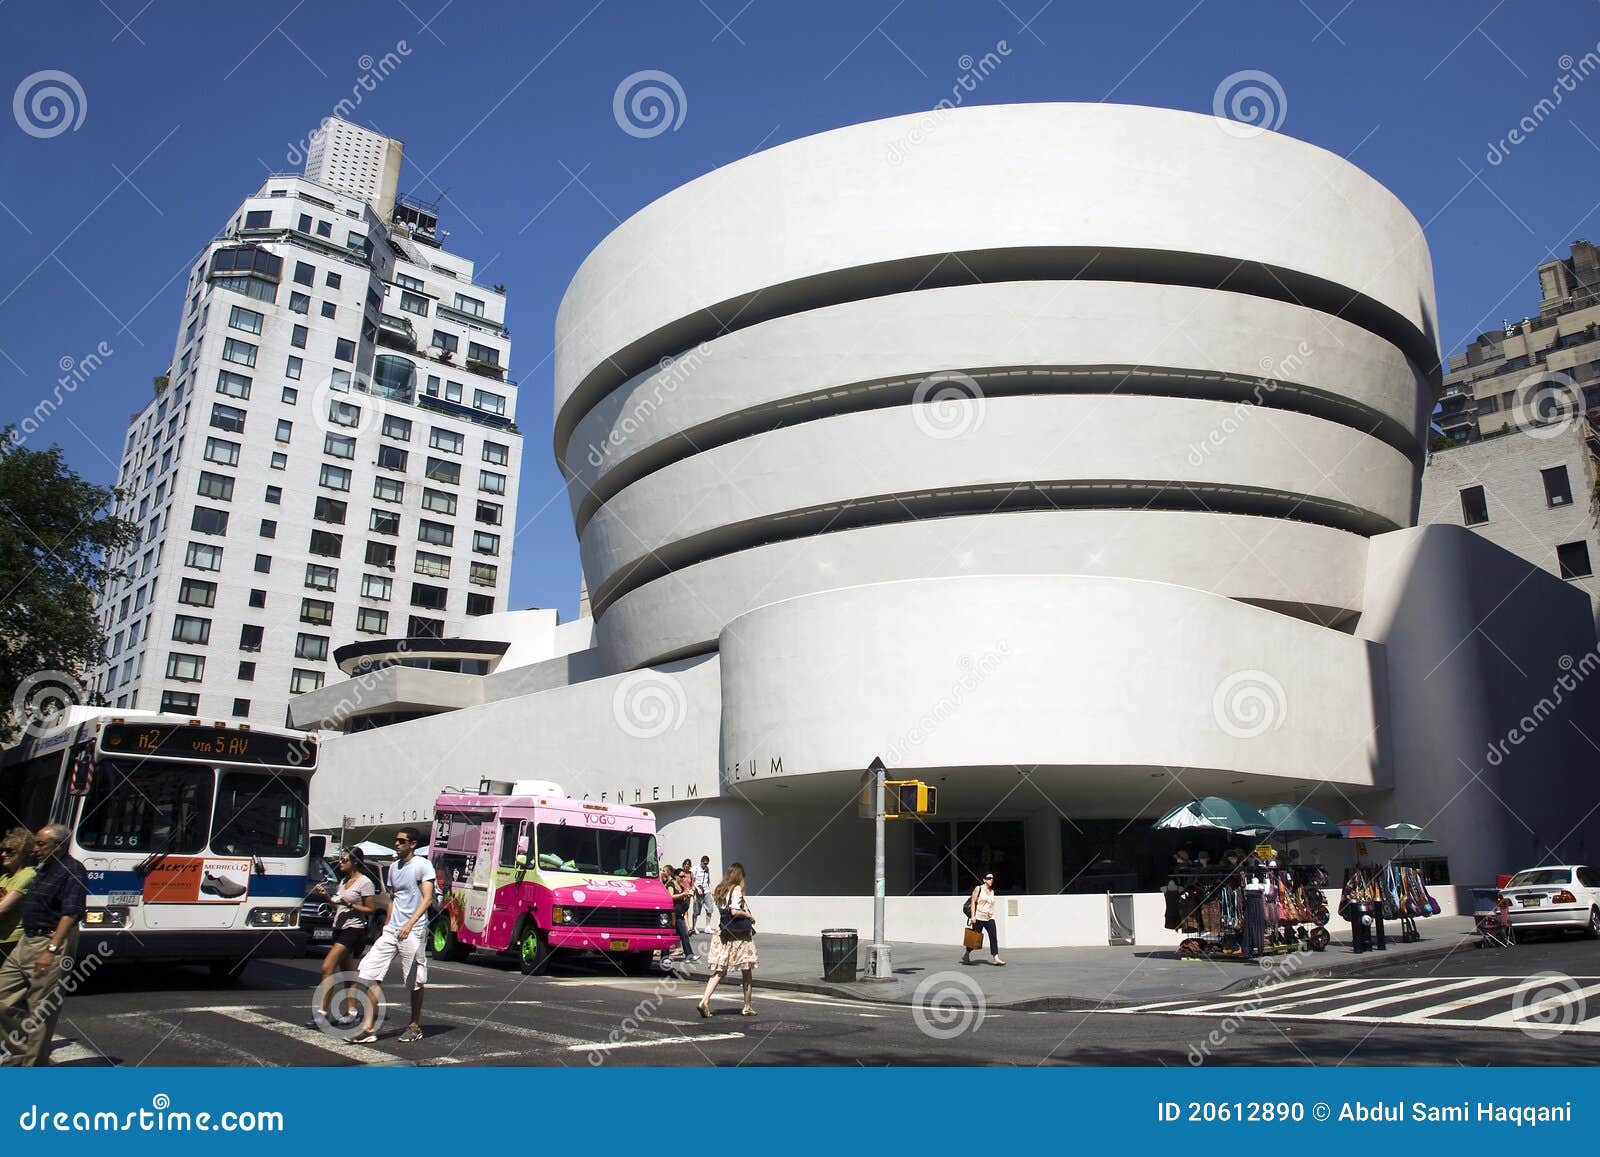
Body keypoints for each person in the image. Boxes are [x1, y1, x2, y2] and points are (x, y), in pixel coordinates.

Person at [0, 824, 89, 1065]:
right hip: (27, 940)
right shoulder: (43, 869)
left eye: (41, 844)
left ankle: (33, 1068)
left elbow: (70, 914)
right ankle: (19, 1053)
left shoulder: (73, 870)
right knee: (2, 998)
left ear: (59, 846)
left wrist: (51, 950)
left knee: (40, 1011)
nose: (35, 849)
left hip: (50, 942)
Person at [354, 828, 434, 1044]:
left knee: (415, 982)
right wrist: (387, 926)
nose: (397, 844)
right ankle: (369, 1029)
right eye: (396, 841)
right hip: (392, 931)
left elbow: (427, 899)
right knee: (368, 972)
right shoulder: (392, 868)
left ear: (413, 844)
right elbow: (393, 899)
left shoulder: (422, 865)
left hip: (414, 930)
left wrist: (409, 924)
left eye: (402, 841)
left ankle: (414, 1025)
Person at [311, 847, 378, 1026]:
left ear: (355, 862)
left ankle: (322, 1012)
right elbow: (337, 906)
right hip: (339, 928)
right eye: (341, 859)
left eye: (344, 860)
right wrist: (326, 896)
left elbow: (370, 910)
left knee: (327, 967)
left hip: (353, 930)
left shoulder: (365, 883)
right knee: (348, 973)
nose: (340, 863)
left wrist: (350, 904)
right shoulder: (343, 881)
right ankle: (352, 1011)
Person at [697, 863, 756, 1018]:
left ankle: (704, 1000)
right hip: (740, 936)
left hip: (724, 933)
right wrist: (749, 916)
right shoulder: (736, 889)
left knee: (719, 971)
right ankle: (747, 1006)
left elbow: (724, 911)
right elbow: (735, 911)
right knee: (746, 970)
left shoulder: (720, 890)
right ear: (739, 876)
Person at [0, 829, 39, 965]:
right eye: (3, 850)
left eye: (9, 851)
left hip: (12, 941)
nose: (3, 854)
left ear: (23, 854)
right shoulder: (5, 877)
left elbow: (2, 908)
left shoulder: (28, 874)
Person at [961, 872, 1005, 966]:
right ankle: (966, 954)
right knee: (974, 939)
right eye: (989, 878)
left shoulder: (992, 891)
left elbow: (991, 904)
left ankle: (996, 957)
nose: (991, 880)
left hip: (989, 917)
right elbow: (973, 902)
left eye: (992, 878)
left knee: (993, 937)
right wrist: (973, 916)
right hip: (979, 917)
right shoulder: (978, 888)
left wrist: (992, 913)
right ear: (984, 880)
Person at [667, 866, 696, 962]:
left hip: (679, 914)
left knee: (684, 934)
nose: (683, 878)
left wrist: (687, 897)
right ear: (676, 876)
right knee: (668, 935)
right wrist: (683, 894)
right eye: (681, 876)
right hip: (671, 914)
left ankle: (689, 955)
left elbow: (683, 902)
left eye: (684, 877)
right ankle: (664, 956)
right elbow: (670, 897)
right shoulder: (671, 884)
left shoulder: (682, 887)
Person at [692, 855, 715, 934]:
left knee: (710, 908)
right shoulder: (695, 868)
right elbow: (692, 881)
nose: (705, 865)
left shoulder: (707, 869)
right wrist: (697, 889)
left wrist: (712, 889)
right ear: (701, 862)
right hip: (698, 891)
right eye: (704, 863)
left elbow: (708, 881)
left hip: (706, 891)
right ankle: (694, 926)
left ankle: (707, 927)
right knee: (696, 910)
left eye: (707, 863)